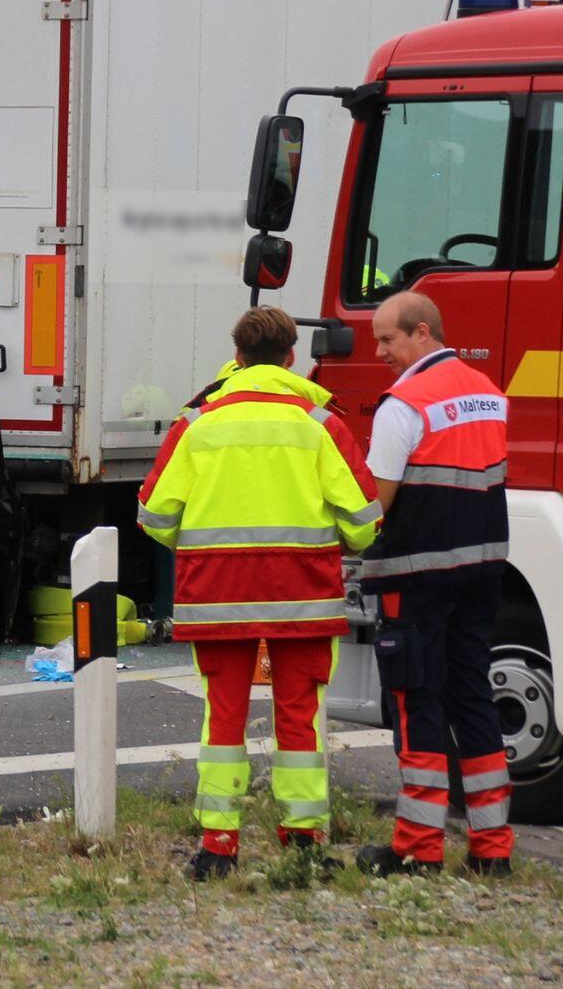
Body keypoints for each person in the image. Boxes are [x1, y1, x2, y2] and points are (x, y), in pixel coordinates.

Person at [138, 307, 382, 880]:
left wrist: (202, 544)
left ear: (238, 357)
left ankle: (218, 846)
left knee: (222, 719)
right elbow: (365, 523)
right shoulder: (319, 425)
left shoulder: (198, 425)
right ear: (291, 357)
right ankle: (304, 842)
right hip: (304, 598)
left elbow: (153, 516)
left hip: (218, 597)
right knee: (301, 718)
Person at [354, 290, 515, 878]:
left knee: (416, 701)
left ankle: (418, 848)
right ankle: (491, 849)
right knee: (473, 697)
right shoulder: (488, 393)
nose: (379, 352)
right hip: (482, 571)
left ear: (422, 333)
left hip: (416, 576)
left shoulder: (405, 404)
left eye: (387, 339)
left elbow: (376, 504)